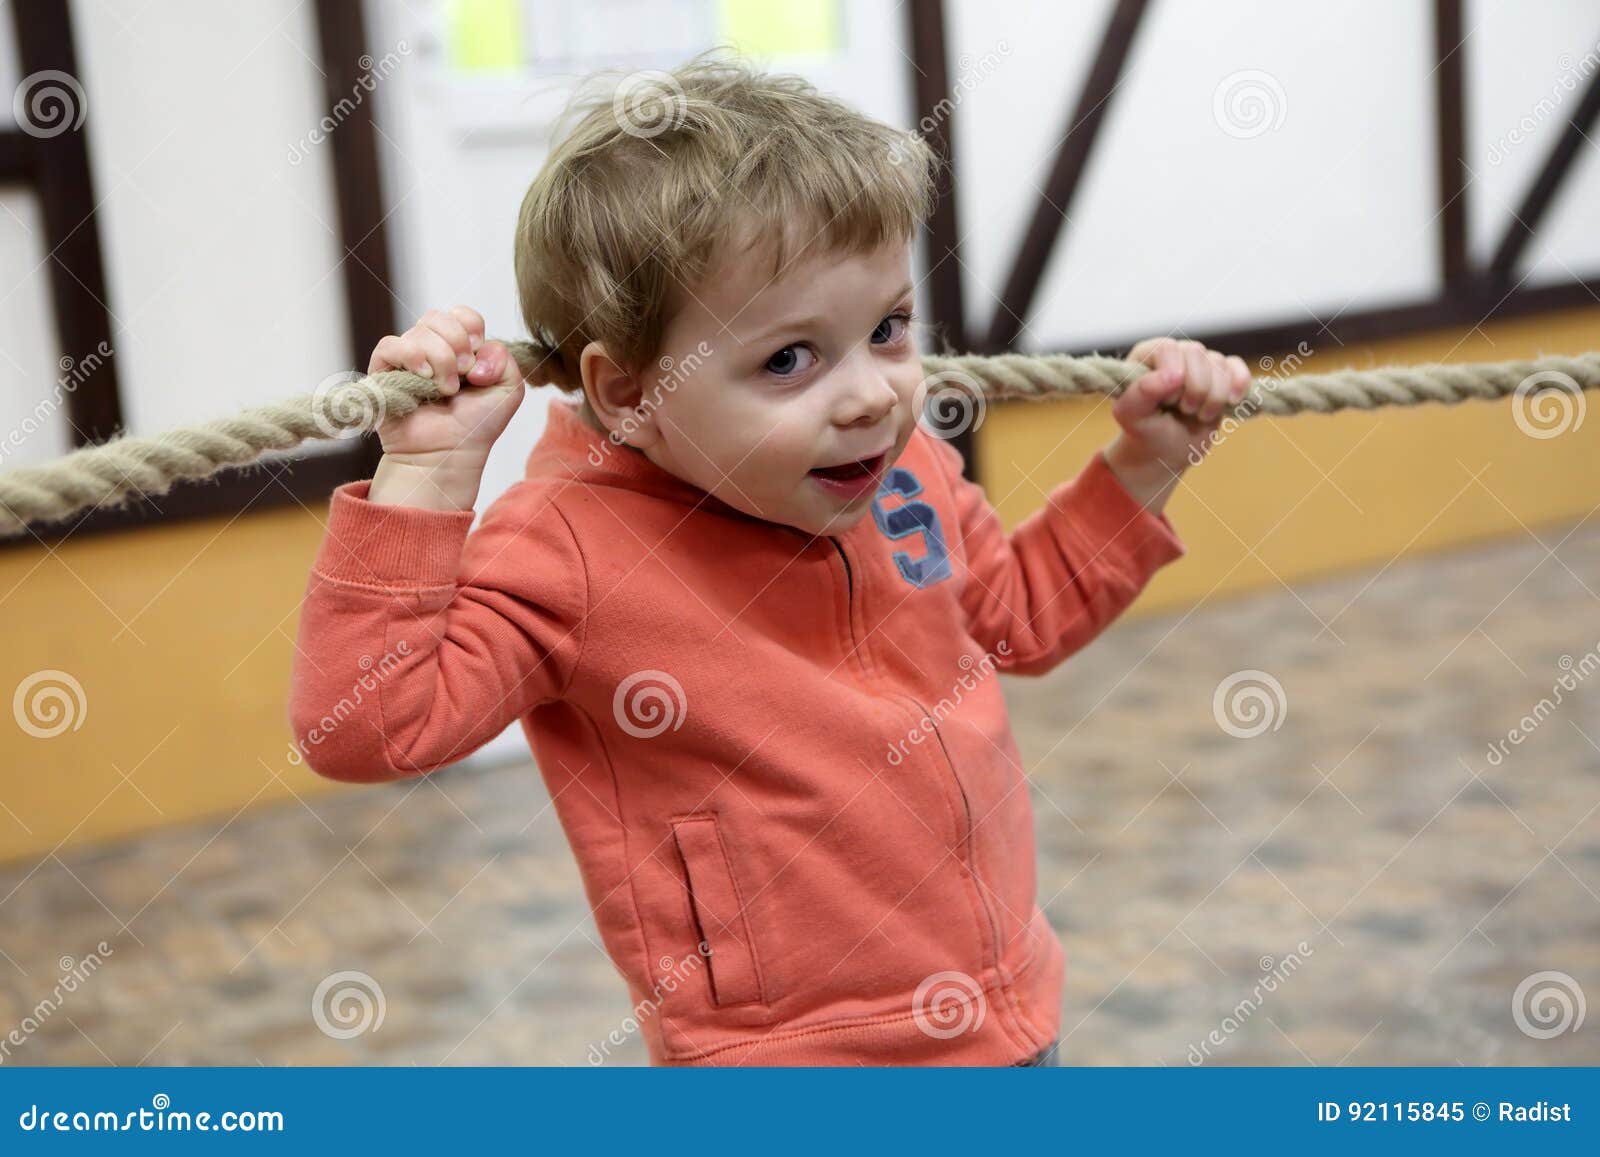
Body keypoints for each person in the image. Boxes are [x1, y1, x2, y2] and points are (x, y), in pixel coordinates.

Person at [288, 49, 1249, 1066]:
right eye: (789, 358)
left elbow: (1019, 615)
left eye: (885, 328)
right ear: (626, 395)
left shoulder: (902, 467)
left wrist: (1144, 465)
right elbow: (365, 728)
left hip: (1006, 1013)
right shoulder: (567, 545)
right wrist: (430, 477)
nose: (871, 394)